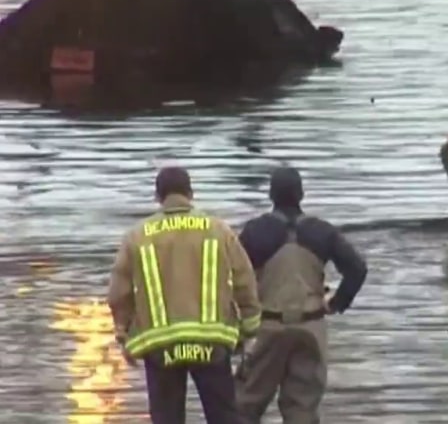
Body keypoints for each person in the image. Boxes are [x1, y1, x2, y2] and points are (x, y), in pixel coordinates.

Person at [106, 166, 262, 424]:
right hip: (211, 342)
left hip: (160, 345)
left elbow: (118, 293)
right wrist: (248, 329)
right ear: (191, 194)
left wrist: (122, 333)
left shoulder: (137, 236)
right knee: (224, 417)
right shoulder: (218, 230)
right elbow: (245, 282)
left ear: (158, 197)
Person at [235, 166, 368, 423]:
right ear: (301, 195)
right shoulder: (323, 231)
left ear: (271, 195)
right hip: (311, 325)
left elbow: (233, 277)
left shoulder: (254, 231)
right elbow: (357, 269)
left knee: (245, 403)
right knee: (302, 409)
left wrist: (240, 321)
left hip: (268, 326)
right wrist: (337, 302)